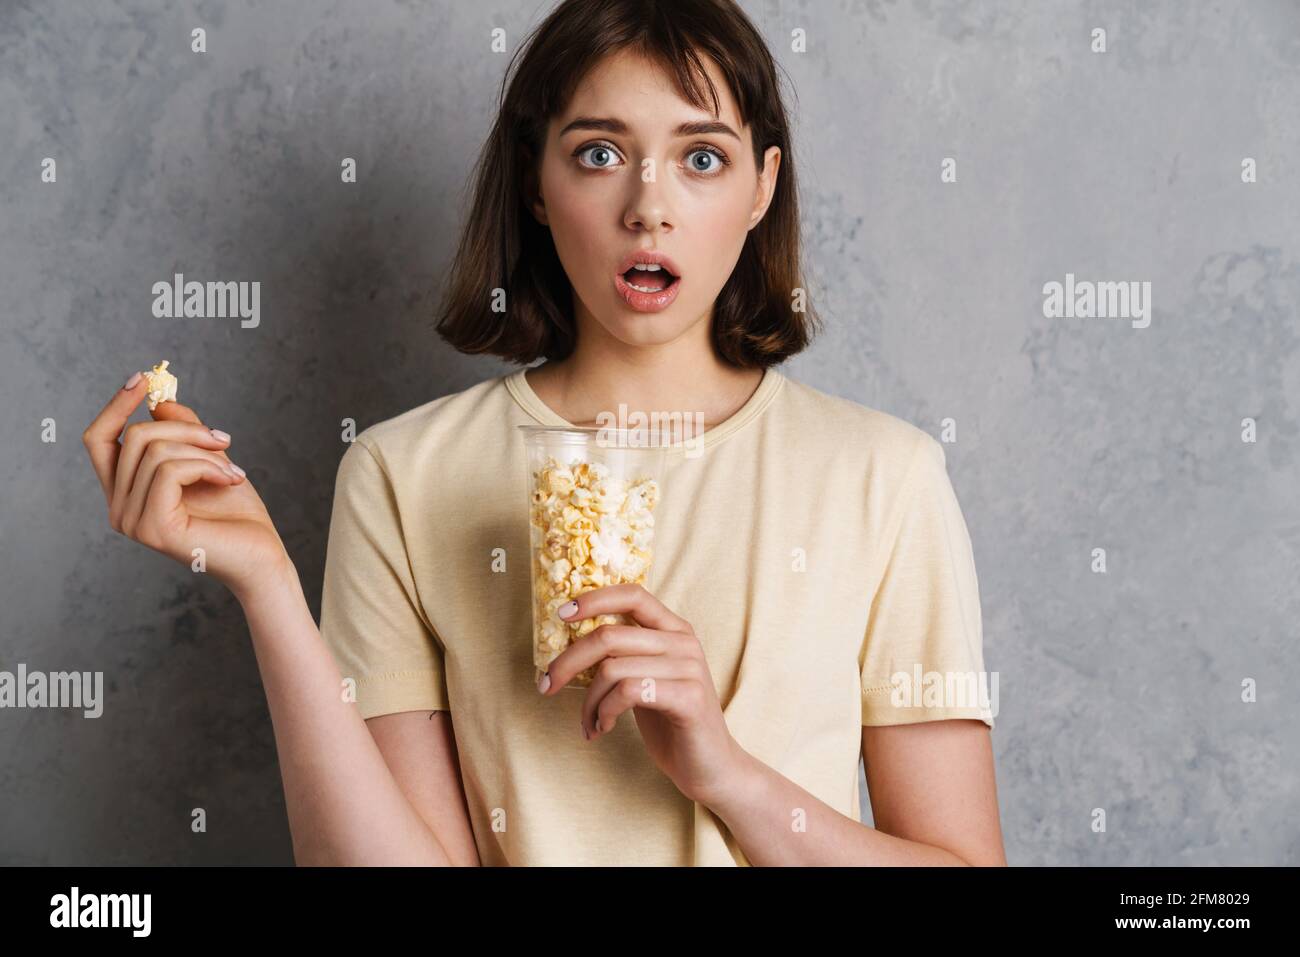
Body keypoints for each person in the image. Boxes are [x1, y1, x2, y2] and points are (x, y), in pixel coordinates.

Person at [82, 0, 1005, 866]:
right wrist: (267, 586)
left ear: (762, 187)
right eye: (601, 154)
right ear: (534, 180)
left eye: (702, 158)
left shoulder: (886, 478)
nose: (649, 204)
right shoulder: (403, 475)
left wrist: (722, 772)